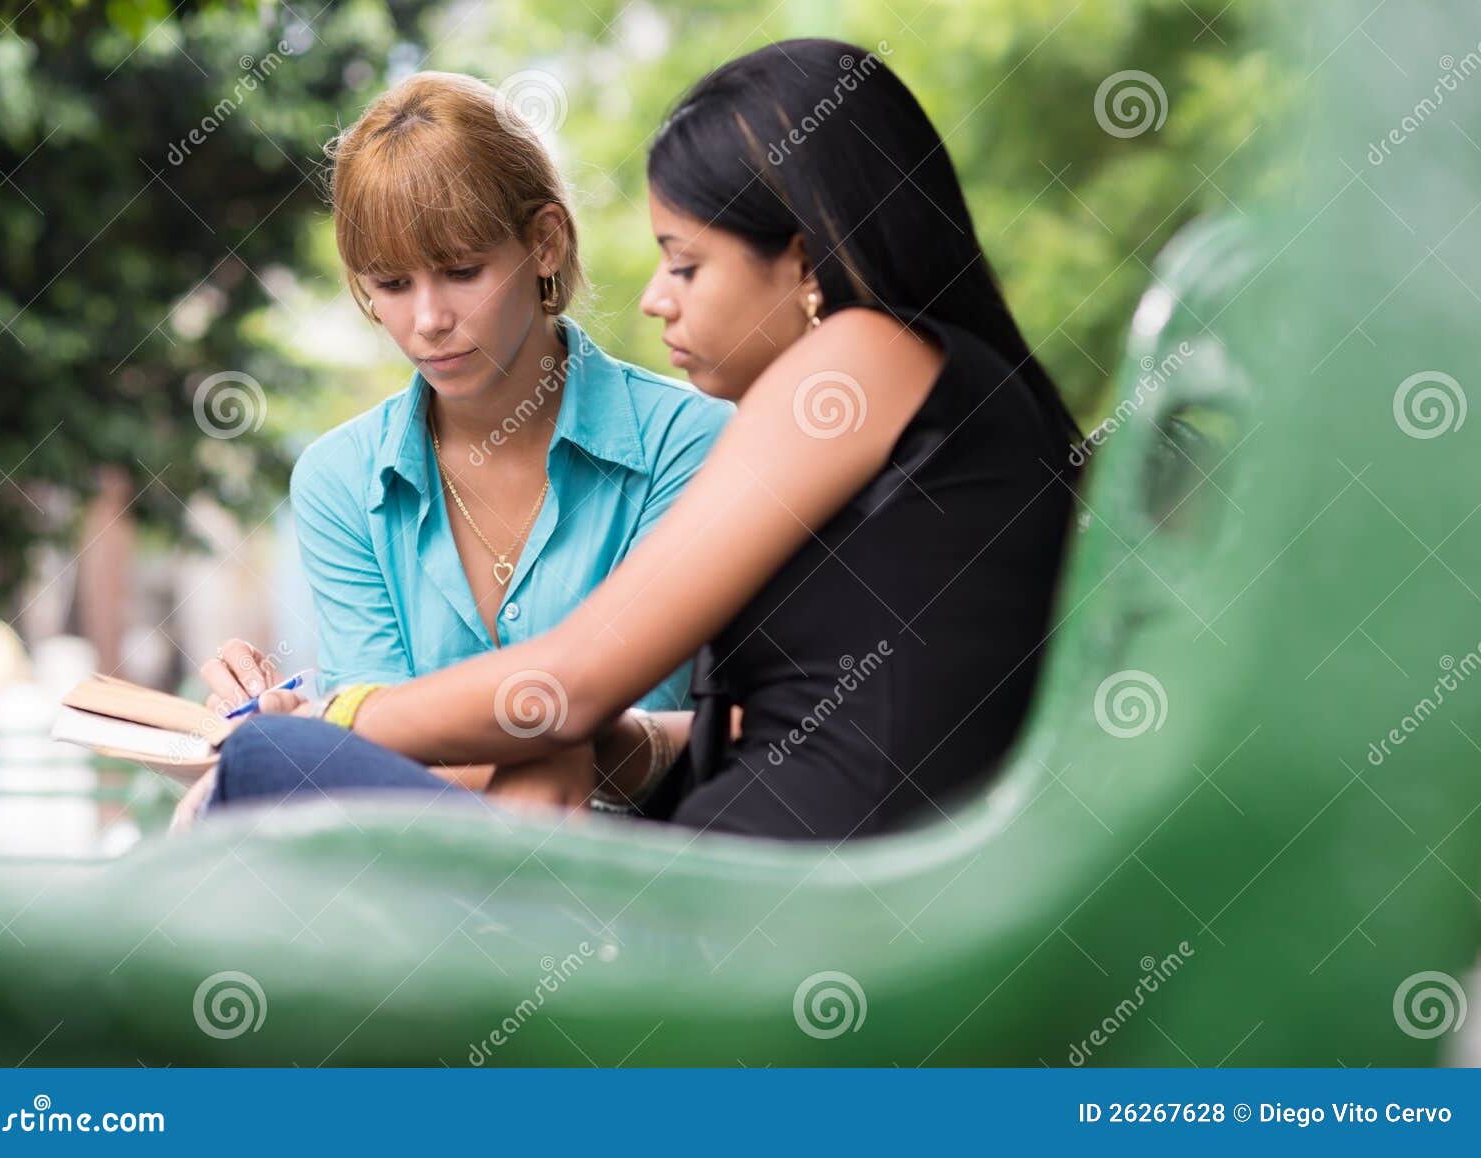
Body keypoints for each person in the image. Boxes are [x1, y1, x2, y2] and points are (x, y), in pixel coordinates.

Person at [190, 39, 1081, 841]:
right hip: (762, 868)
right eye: (388, 283)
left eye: (686, 263)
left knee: (264, 765)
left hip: (767, 892)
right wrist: (571, 736)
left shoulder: (852, 361)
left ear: (807, 260)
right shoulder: (920, 391)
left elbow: (571, 685)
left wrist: (325, 719)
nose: (657, 298)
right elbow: (589, 708)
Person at [196, 71, 733, 777]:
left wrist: (337, 733)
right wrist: (305, 731)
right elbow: (380, 754)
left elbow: (686, 742)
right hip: (412, 878)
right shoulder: (339, 482)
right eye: (391, 284)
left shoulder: (686, 444)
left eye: (461, 271)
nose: (427, 322)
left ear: (544, 243)